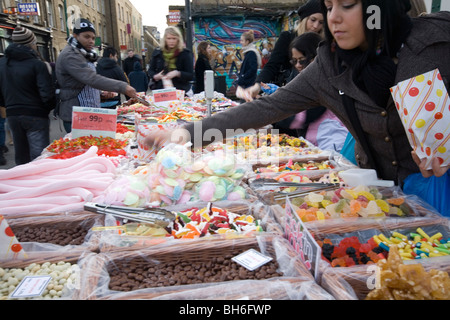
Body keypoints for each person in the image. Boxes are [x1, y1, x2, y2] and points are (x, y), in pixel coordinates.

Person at [146, 0, 449, 213]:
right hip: (384, 201)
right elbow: (265, 109)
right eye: (329, 7)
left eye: (347, 5)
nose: (333, 18)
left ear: (377, 7)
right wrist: (187, 134)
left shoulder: (435, 45)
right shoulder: (329, 67)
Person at [271, 32, 348, 152]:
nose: (298, 65)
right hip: (318, 144)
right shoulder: (311, 80)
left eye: (302, 60)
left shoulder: (324, 82)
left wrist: (270, 114)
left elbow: (302, 117)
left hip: (333, 147)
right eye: (294, 61)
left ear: (315, 57)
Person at [56, 18, 137, 133]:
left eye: (93, 38)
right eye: (86, 37)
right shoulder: (70, 55)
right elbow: (91, 78)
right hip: (76, 116)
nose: (91, 41)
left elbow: (82, 83)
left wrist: (100, 94)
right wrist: (123, 87)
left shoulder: (84, 54)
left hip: (89, 113)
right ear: (75, 36)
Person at [0, 26, 55, 165]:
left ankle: (23, 184)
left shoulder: (3, 64)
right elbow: (46, 94)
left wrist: (7, 106)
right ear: (31, 43)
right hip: (35, 114)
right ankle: (40, 184)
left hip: (13, 114)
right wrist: (47, 109)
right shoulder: (37, 64)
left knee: (22, 155)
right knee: (39, 157)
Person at [251, 0, 324, 92]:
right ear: (304, 19)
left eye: (321, 22)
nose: (315, 26)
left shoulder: (323, 42)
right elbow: (272, 65)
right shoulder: (288, 37)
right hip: (290, 91)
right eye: (313, 20)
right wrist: (258, 85)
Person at [147, 26, 194, 92]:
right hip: (161, 90)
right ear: (165, 39)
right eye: (169, 38)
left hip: (180, 90)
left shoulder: (185, 53)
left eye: (174, 38)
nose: (171, 41)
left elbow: (190, 75)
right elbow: (150, 70)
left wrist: (177, 73)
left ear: (178, 39)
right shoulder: (158, 52)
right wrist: (156, 76)